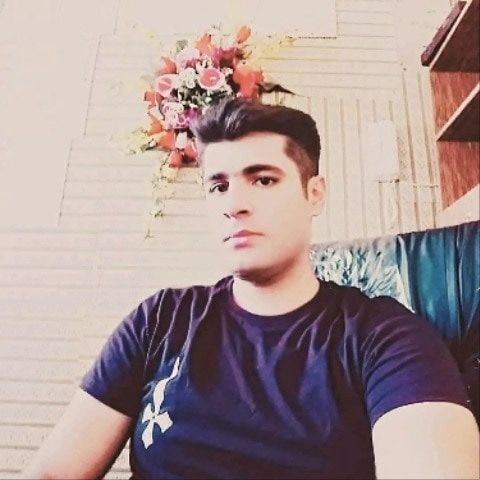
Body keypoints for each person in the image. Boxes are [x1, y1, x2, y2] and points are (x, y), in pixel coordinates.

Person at [22, 98, 479, 479]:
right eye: (218, 187)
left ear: (315, 193)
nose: (235, 204)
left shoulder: (385, 338)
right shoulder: (160, 319)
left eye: (263, 180)